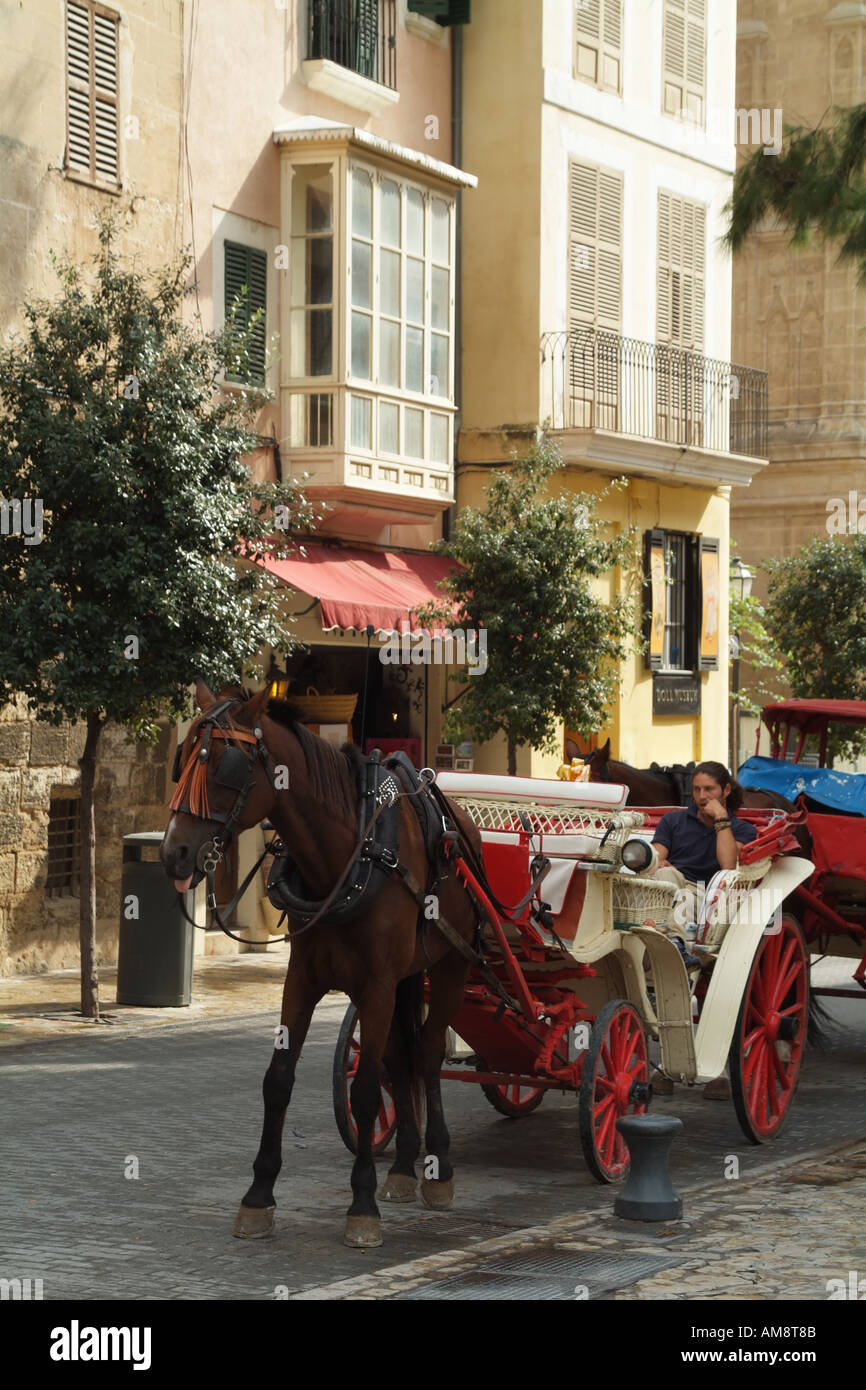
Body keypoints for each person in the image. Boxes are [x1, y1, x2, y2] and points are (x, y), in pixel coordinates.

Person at [651, 761, 757, 966]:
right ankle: (674, 945)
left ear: (726, 790)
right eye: (697, 789)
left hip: (709, 895)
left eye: (709, 789)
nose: (701, 796)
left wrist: (720, 818)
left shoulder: (743, 830)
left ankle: (673, 944)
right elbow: (655, 858)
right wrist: (659, 863)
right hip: (671, 886)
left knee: (684, 898)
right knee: (664, 876)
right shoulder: (673, 820)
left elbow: (728, 865)